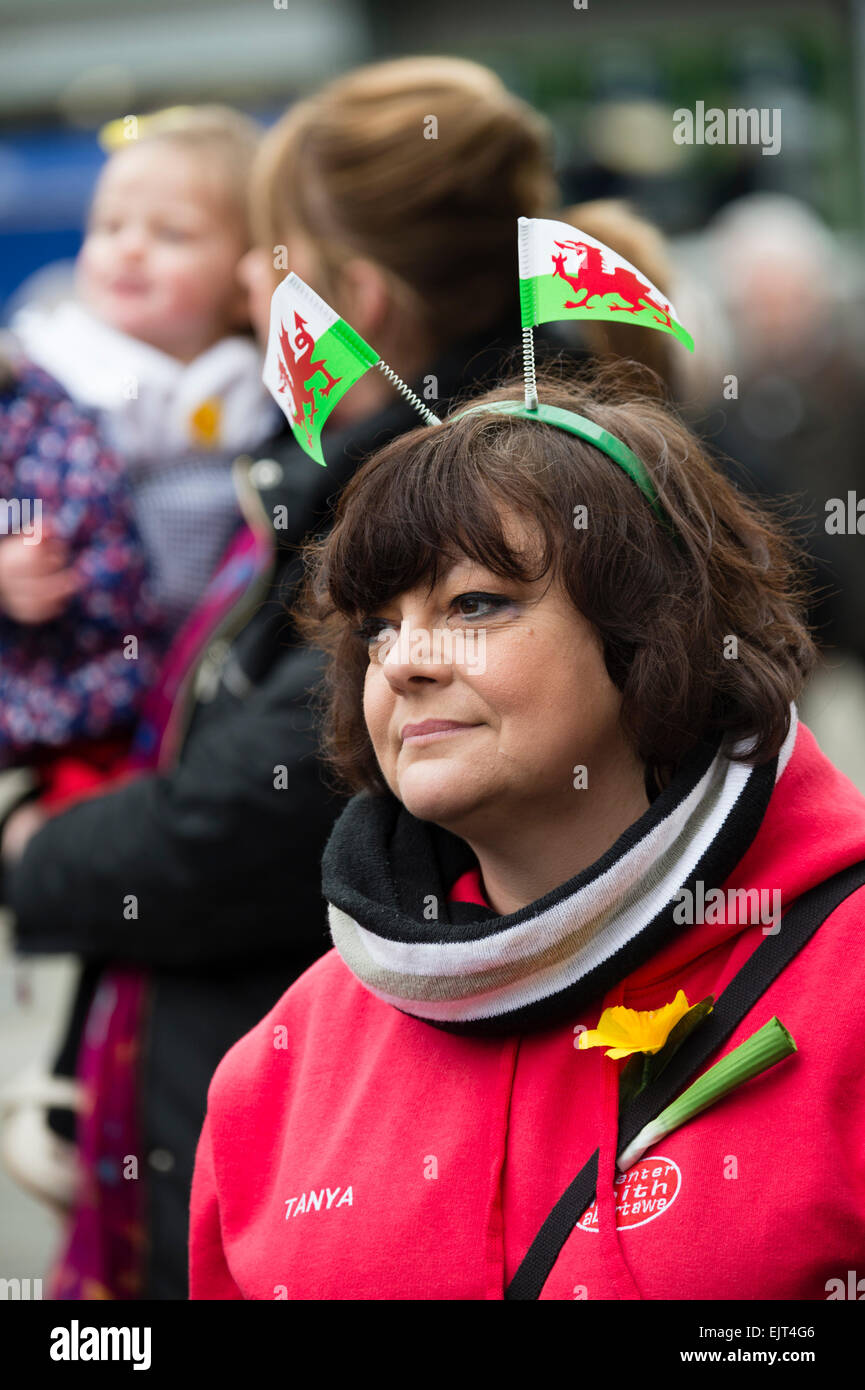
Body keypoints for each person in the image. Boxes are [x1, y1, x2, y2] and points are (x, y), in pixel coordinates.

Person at [2, 56, 569, 1301]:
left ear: (352, 291)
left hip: (320, 1134)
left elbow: (236, 823)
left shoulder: (432, 501)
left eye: (274, 257)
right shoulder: (364, 454)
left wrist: (35, 851)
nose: (252, 286)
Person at [189, 366, 865, 1300]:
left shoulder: (849, 971)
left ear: (649, 632)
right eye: (379, 626)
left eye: (474, 605)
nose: (408, 663)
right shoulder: (280, 1060)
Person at [12, 104, 275, 633]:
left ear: (247, 275)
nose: (129, 248)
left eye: (172, 234)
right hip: (71, 664)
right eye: (109, 226)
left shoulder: (264, 385)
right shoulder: (38, 373)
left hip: (196, 664)